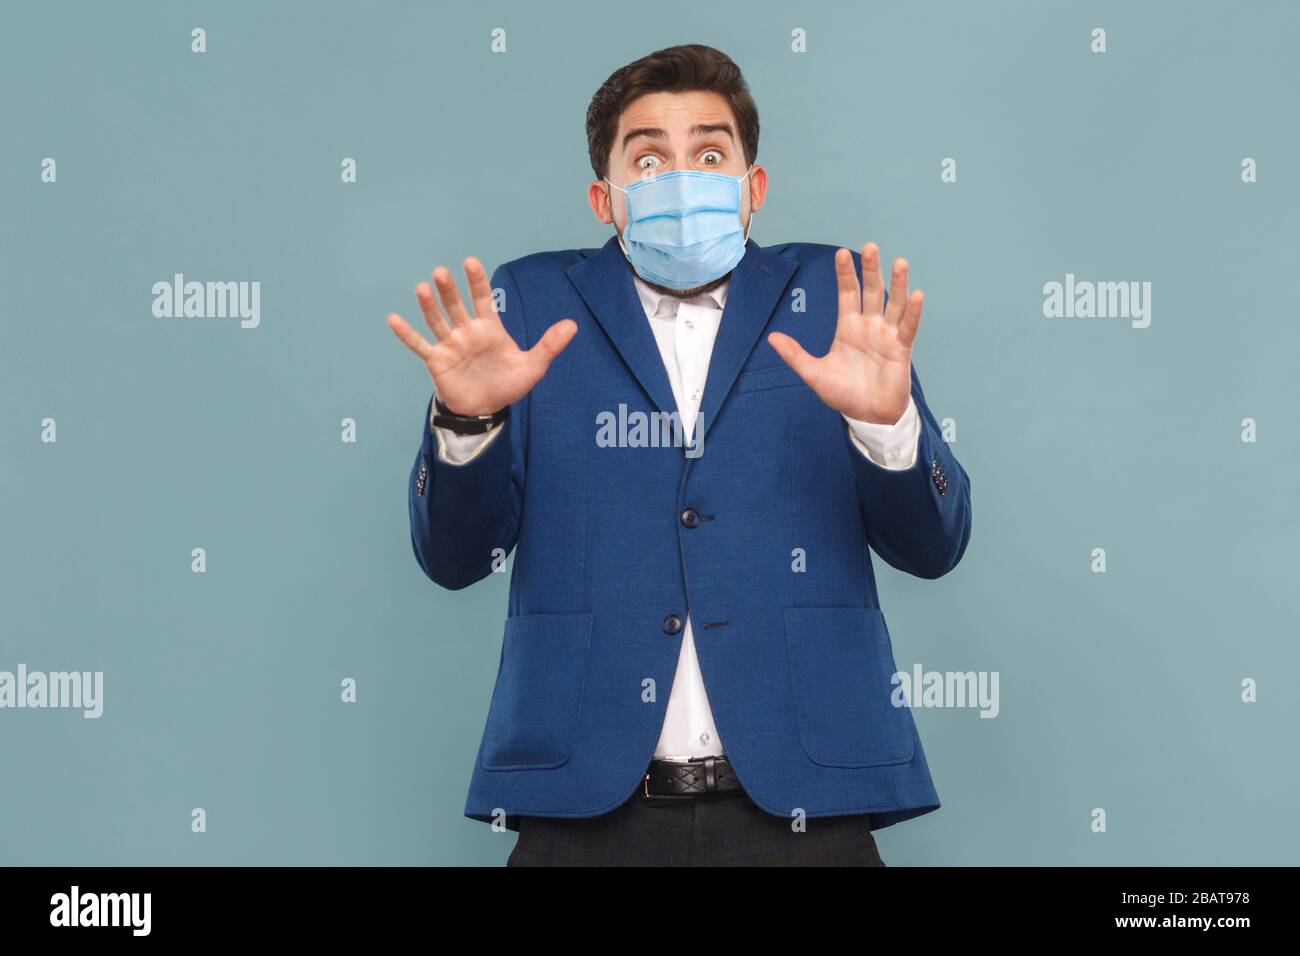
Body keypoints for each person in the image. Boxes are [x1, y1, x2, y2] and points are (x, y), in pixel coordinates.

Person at [386, 44, 972, 866]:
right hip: (585, 801)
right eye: (649, 158)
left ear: (751, 185)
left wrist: (887, 425)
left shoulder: (831, 301)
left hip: (807, 794)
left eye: (708, 152)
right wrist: (465, 421)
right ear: (606, 198)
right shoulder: (527, 304)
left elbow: (934, 549)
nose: (681, 176)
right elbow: (453, 560)